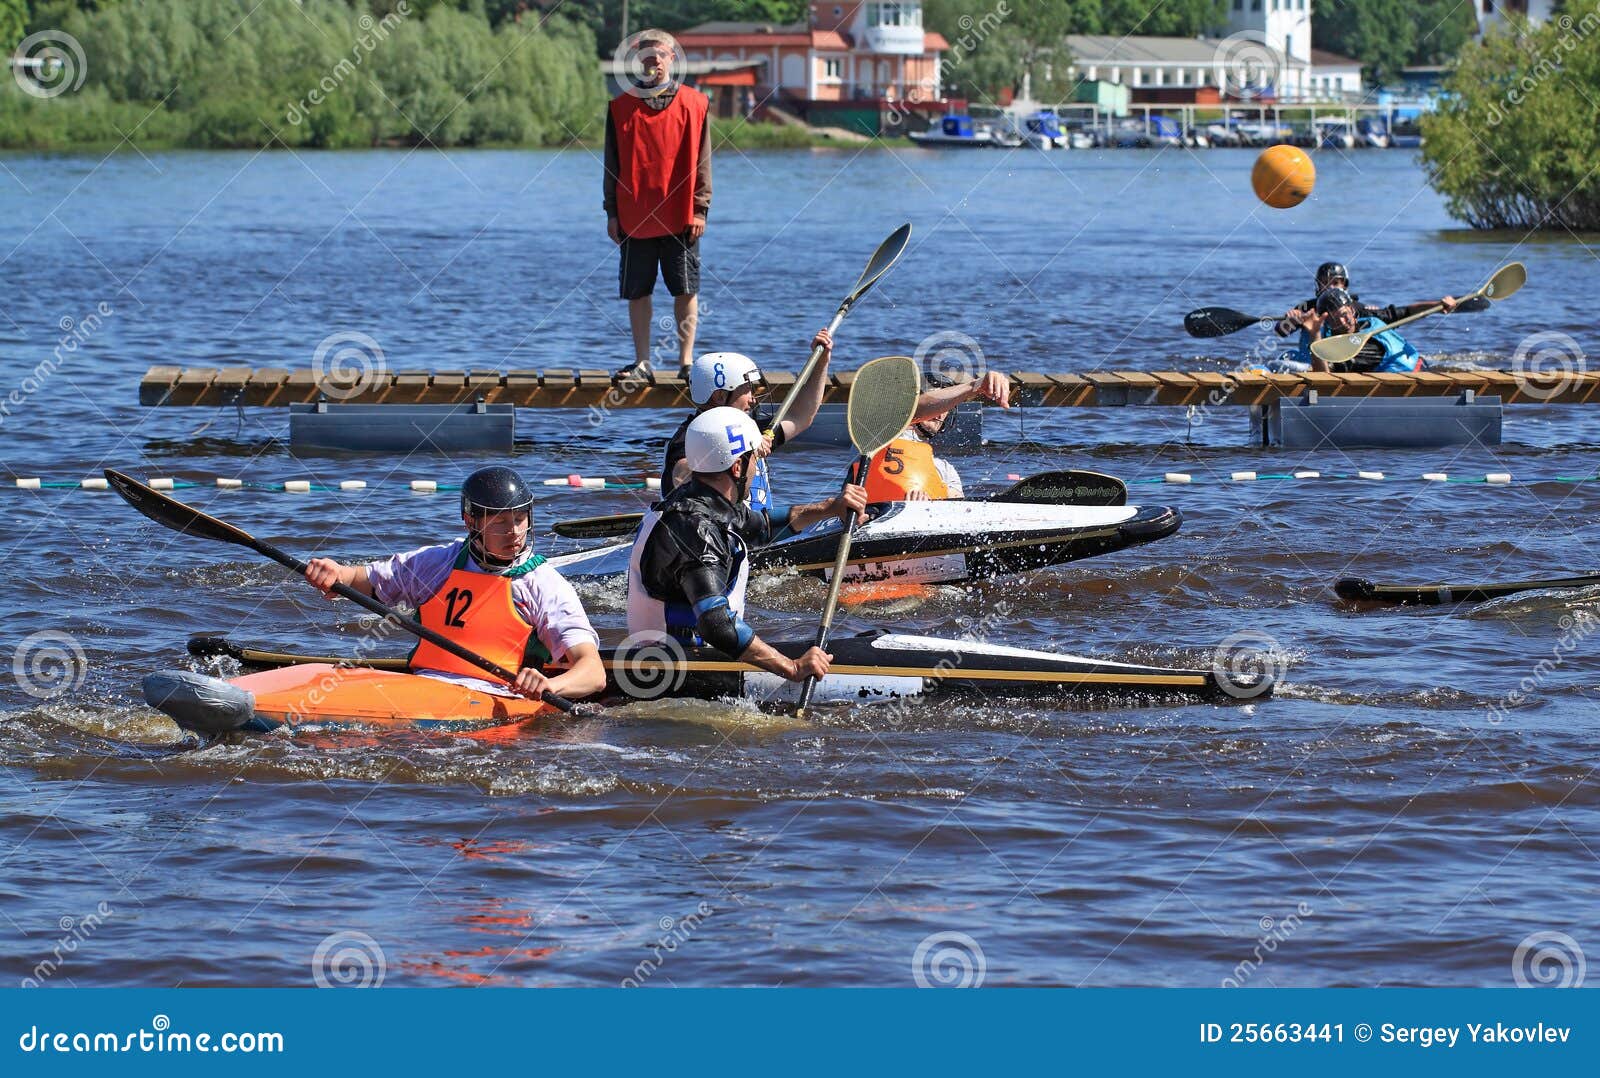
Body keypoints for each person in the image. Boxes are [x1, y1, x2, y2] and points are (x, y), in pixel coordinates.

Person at [303, 467, 606, 702]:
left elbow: (593, 673)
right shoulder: (438, 563)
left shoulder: (544, 584)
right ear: (470, 521)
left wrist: (550, 685)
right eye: (500, 522)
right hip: (423, 687)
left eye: (520, 519)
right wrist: (335, 574)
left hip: (497, 700)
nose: (514, 532)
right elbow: (364, 581)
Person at [628, 408, 856, 682]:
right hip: (677, 672)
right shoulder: (698, 529)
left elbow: (764, 527)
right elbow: (716, 624)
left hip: (687, 659)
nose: (756, 468)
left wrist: (831, 507)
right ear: (737, 466)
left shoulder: (699, 500)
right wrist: (791, 668)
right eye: (753, 460)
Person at [661, 328, 865, 534]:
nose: (753, 398)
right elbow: (682, 475)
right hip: (714, 538)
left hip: (756, 531)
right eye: (746, 389)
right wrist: (745, 451)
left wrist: (822, 362)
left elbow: (801, 416)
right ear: (720, 396)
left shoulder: (747, 427)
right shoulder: (690, 437)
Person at [604, 29, 711, 381]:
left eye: (660, 57)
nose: (654, 64)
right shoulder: (620, 108)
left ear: (671, 59)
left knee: (686, 289)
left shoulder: (695, 105)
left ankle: (686, 363)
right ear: (639, 61)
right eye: (648, 58)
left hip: (682, 215)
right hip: (634, 216)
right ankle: (642, 362)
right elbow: (611, 164)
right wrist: (612, 213)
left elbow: (703, 162)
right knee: (637, 291)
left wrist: (700, 208)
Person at [858, 369, 1012, 500]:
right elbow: (912, 412)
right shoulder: (878, 435)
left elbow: (956, 512)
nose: (940, 412)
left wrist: (930, 504)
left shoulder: (945, 470)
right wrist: (975, 385)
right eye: (936, 403)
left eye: (947, 406)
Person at [1298, 286, 1457, 373]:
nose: (1342, 321)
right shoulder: (1337, 345)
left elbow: (1323, 380)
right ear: (1327, 322)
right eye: (1333, 318)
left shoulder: (1367, 329)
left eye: (1344, 314)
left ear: (1353, 312)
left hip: (1416, 377)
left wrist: (1438, 306)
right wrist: (1314, 334)